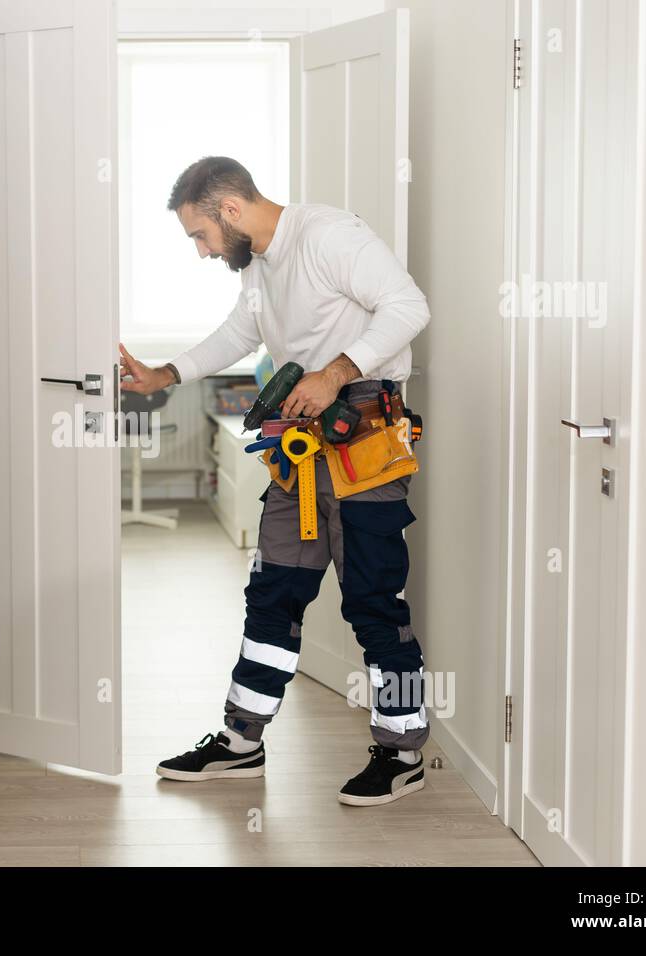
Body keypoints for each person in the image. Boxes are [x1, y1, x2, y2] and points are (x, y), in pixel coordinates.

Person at [119, 156, 432, 806]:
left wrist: (334, 372)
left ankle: (403, 751)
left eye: (200, 235)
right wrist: (164, 375)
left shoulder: (328, 237)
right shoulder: (260, 268)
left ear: (229, 210)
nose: (204, 251)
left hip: (365, 438)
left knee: (375, 604)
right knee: (272, 595)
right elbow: (239, 333)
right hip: (301, 451)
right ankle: (241, 741)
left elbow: (409, 306)